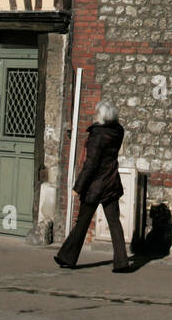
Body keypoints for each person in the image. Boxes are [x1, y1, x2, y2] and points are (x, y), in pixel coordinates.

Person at [55, 101, 131, 272]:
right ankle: (121, 262)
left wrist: (78, 187)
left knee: (82, 222)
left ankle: (67, 256)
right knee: (114, 222)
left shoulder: (98, 135)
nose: (94, 115)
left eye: (96, 112)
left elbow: (91, 164)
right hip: (111, 181)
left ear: (101, 116)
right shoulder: (117, 132)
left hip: (95, 185)